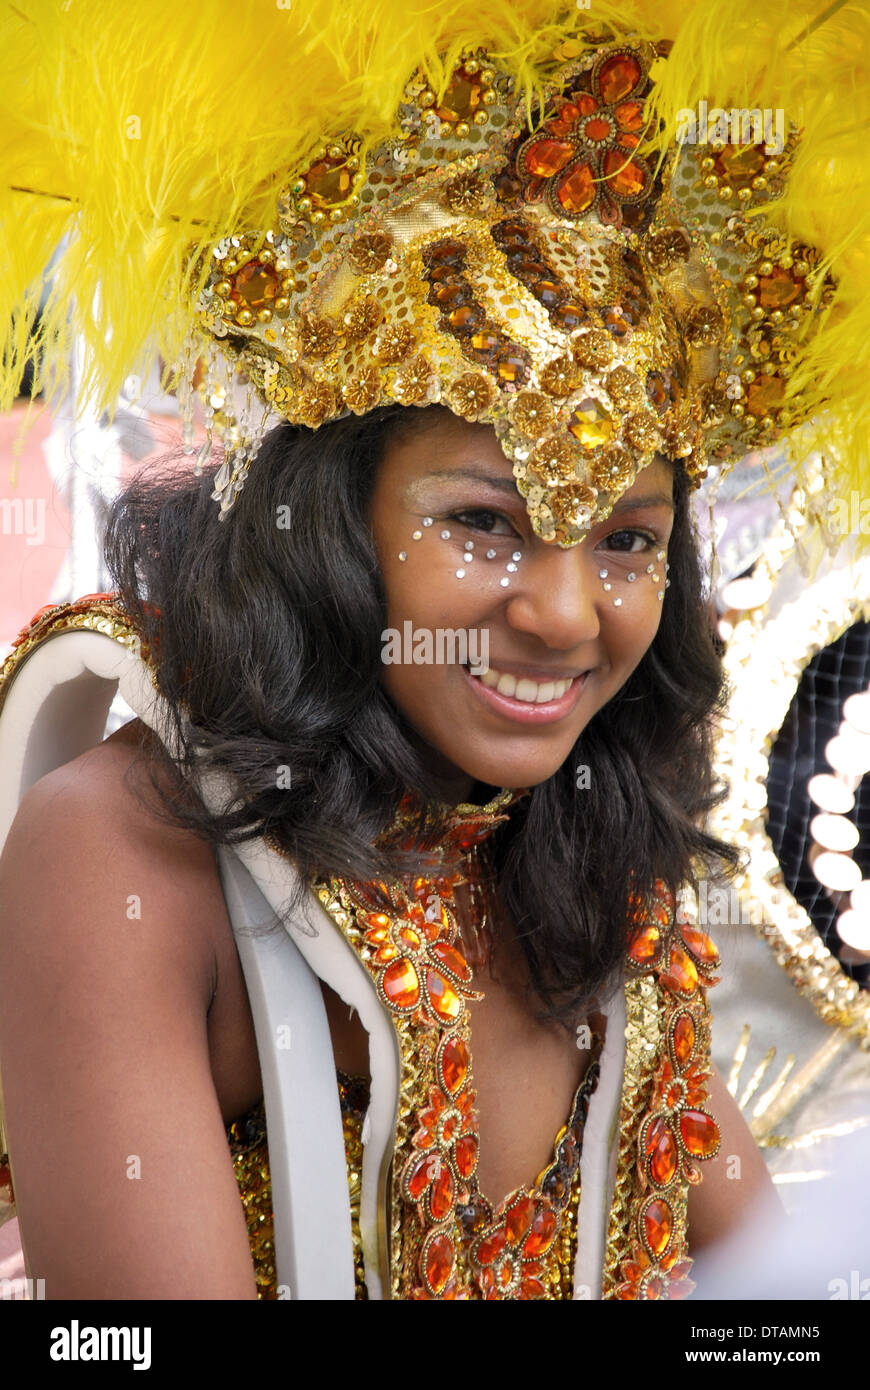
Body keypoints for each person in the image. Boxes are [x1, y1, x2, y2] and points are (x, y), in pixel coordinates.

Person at [0, 1, 866, 1302]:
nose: (568, 614)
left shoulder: (578, 838)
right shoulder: (119, 852)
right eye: (481, 522)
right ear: (324, 517)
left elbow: (771, 1293)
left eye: (627, 541)